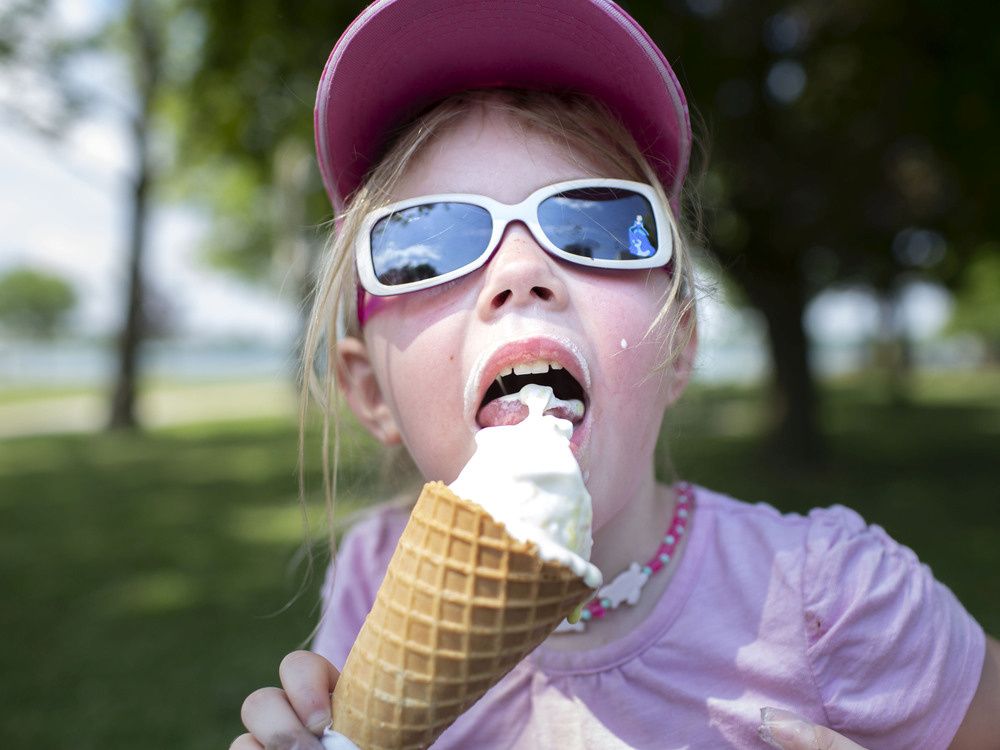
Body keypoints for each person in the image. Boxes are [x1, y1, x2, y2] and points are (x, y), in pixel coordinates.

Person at [232, 1, 1000, 748]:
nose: (520, 270)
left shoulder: (833, 600)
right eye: (427, 241)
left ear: (679, 343)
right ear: (370, 392)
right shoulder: (373, 577)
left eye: (594, 224)